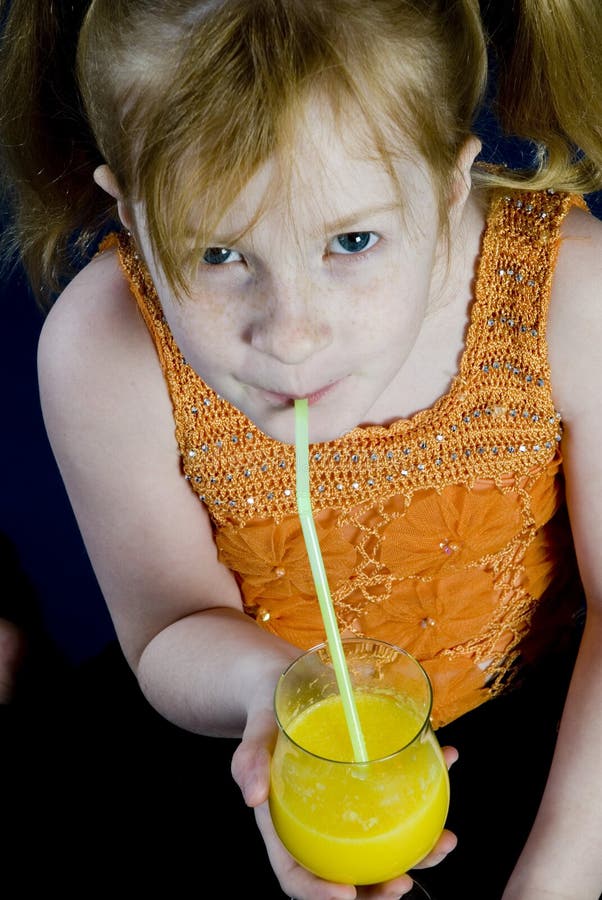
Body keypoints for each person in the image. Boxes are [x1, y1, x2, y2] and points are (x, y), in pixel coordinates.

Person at [1, 1, 601, 897]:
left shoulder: (570, 292)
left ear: (444, 186)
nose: (290, 336)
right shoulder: (105, 350)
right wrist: (278, 701)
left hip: (558, 740)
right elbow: (168, 627)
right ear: (128, 204)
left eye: (352, 241)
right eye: (217, 253)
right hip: (240, 736)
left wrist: (553, 882)